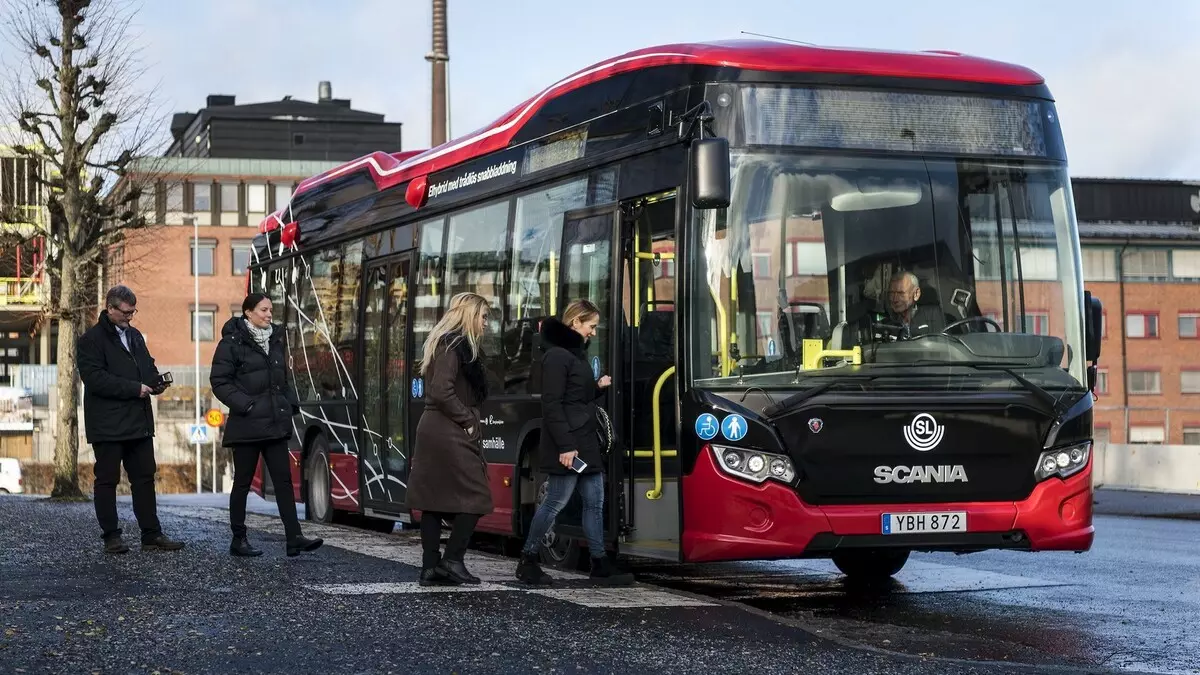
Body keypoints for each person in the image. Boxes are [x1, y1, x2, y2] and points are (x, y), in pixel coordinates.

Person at [515, 300, 633, 587]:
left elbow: (573, 398)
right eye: (591, 325)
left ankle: (599, 563)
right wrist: (566, 447)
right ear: (576, 322)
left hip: (583, 440)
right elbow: (552, 405)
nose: (593, 332)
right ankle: (528, 559)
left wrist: (596, 388)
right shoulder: (557, 356)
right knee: (556, 501)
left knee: (594, 502)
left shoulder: (572, 354)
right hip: (568, 443)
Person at [210, 293, 323, 558]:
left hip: (274, 423)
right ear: (248, 312)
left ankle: (294, 538)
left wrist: (289, 404)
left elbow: (283, 380)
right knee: (243, 483)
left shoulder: (275, 340)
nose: (269, 314)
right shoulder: (232, 343)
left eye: (271, 309)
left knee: (284, 481)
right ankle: (239, 539)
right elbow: (219, 381)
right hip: (247, 426)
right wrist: (247, 405)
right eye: (263, 310)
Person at [77, 285, 185, 555]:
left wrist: (154, 382)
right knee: (107, 480)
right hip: (108, 424)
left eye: (133, 312)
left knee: (145, 478)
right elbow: (95, 379)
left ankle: (151, 534)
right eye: (125, 312)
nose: (130, 317)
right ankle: (111, 536)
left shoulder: (135, 336)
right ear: (110, 308)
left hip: (138, 422)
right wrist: (135, 388)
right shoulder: (91, 339)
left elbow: (146, 366)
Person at [406, 292, 495, 586]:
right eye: (483, 317)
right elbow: (442, 391)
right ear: (469, 316)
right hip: (449, 429)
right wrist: (468, 420)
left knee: (434, 499)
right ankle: (452, 560)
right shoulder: (453, 345)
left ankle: (431, 567)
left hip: (440, 428)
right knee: (476, 495)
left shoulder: (449, 344)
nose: (486, 323)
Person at [885, 271, 946, 337]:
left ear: (916, 294)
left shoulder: (932, 316)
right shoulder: (886, 323)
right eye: (891, 293)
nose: (895, 299)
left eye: (901, 293)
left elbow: (942, 343)